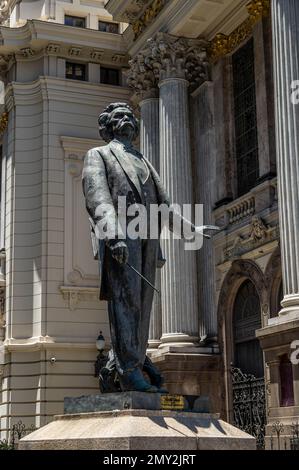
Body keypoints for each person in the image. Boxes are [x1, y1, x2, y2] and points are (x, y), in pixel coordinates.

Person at [82, 102, 218, 393]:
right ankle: (129, 370)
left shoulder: (143, 160)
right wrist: (113, 235)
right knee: (126, 303)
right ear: (108, 125)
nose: (127, 120)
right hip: (122, 237)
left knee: (142, 306)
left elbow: (165, 207)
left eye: (130, 116)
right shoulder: (99, 155)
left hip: (148, 239)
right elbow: (98, 198)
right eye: (119, 117)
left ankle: (122, 364)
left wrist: (191, 230)